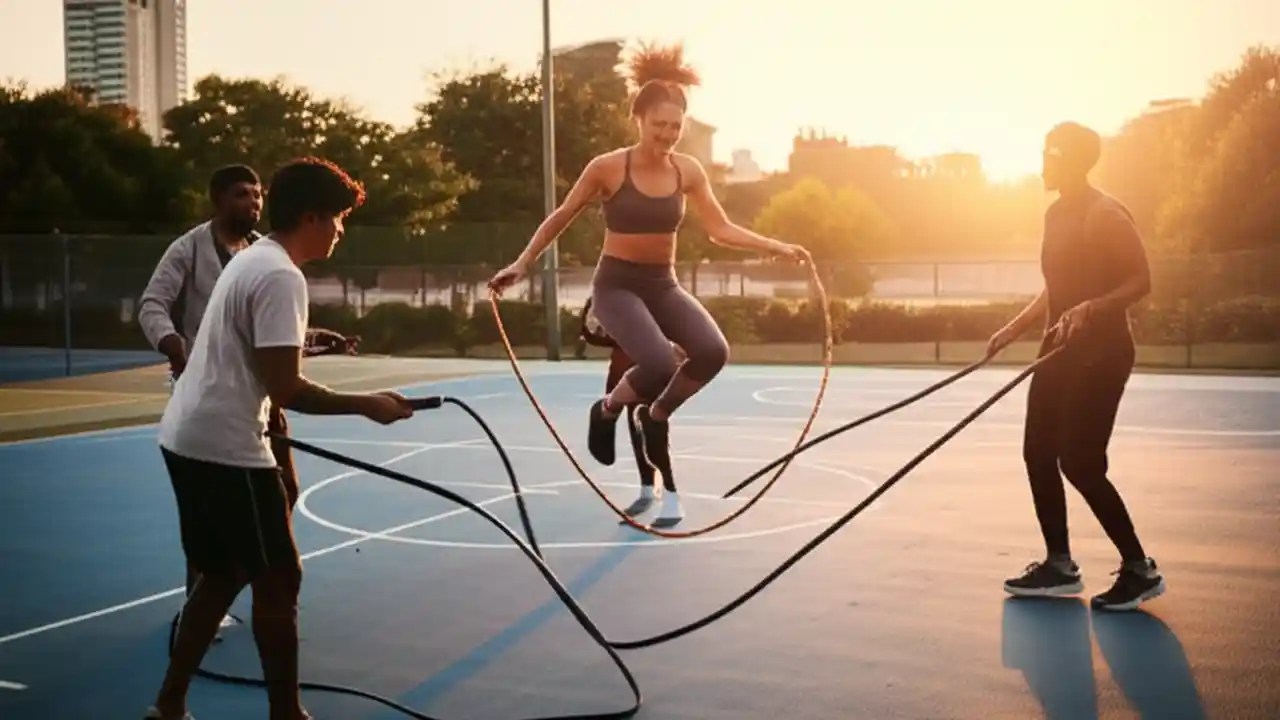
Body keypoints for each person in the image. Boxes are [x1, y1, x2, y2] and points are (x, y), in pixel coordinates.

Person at [145, 157, 415, 720]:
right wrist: (369, 405)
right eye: (338, 217)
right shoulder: (278, 275)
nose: (341, 229)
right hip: (226, 447)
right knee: (279, 579)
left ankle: (169, 705)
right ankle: (286, 714)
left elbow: (261, 357)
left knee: (221, 575)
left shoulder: (255, 262)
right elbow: (286, 388)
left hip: (185, 436)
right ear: (311, 216)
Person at [488, 43, 809, 501]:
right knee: (658, 361)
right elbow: (562, 215)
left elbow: (719, 228)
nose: (667, 133)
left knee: (712, 351)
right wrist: (522, 264)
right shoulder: (608, 168)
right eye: (659, 124)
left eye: (675, 126)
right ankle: (608, 409)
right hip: (617, 286)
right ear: (638, 120)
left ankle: (653, 418)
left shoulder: (688, 171)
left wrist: (773, 245)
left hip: (663, 285)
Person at [987, 121, 1164, 612]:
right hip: (1058, 351)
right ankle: (1059, 565)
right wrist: (1014, 329)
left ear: (1070, 159)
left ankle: (1139, 568)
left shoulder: (1104, 214)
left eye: (1050, 154)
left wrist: (1093, 307)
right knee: (1037, 452)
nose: (1042, 162)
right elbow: (1057, 288)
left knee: (1081, 463)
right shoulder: (1055, 214)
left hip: (1101, 356)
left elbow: (1140, 280)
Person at [138, 165, 268, 639]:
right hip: (204, 398)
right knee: (208, 511)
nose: (252, 202)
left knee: (278, 496)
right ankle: (202, 605)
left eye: (257, 194)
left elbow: (266, 330)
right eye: (241, 194)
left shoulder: (262, 252)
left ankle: (240, 592)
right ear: (217, 200)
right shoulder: (189, 248)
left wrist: (313, 341)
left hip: (257, 398)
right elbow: (152, 304)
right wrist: (174, 344)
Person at [579, 297, 687, 525]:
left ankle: (671, 499)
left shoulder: (654, 323)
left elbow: (678, 349)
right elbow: (594, 337)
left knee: (655, 443)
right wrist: (588, 309)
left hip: (651, 390)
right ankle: (647, 491)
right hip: (625, 390)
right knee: (638, 442)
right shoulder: (622, 326)